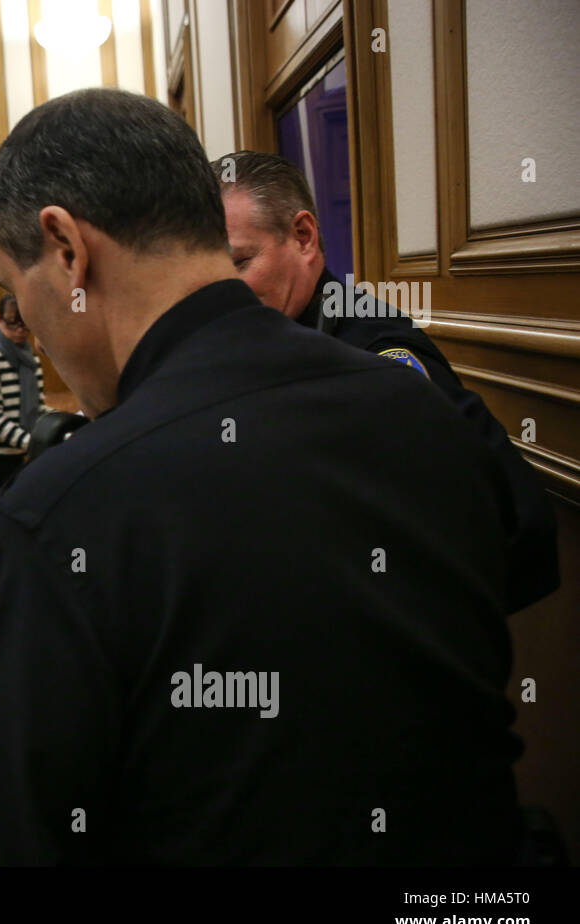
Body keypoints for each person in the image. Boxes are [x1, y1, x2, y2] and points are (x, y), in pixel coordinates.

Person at [0, 89, 525, 865]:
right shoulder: (421, 404)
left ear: (66, 249)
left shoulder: (60, 515)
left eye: (19, 293)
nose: (33, 332)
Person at [212, 150, 558, 613]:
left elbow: (516, 519)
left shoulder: (374, 350)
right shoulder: (268, 333)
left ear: (303, 237)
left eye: (240, 263)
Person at [0, 293, 51, 493]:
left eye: (25, 323)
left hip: (22, 450)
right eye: (12, 323)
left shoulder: (32, 360)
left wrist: (58, 421)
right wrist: (30, 443)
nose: (20, 330)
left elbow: (38, 407)